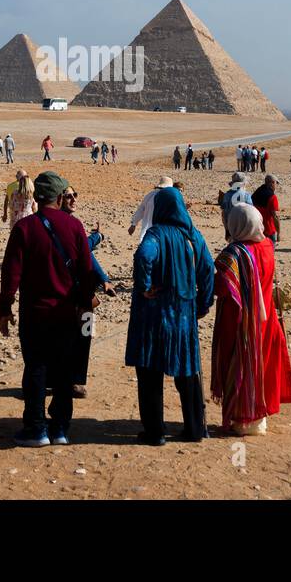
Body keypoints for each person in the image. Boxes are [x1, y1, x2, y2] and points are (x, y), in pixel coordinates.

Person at [0, 171, 97, 447]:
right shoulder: (74, 226)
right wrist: (83, 302)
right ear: (58, 197)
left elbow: (11, 274)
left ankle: (36, 428)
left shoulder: (24, 229)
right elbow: (87, 271)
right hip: (66, 313)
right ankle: (61, 428)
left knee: (36, 368)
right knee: (65, 371)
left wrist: (4, 309)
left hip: (35, 314)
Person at [127, 187, 215, 445]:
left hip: (154, 317)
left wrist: (143, 287)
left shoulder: (155, 235)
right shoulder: (193, 237)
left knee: (150, 371)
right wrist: (203, 303)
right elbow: (208, 269)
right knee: (187, 371)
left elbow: (143, 257)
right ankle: (195, 429)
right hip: (184, 316)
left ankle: (155, 432)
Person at [210, 203, 291, 435]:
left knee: (239, 367)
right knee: (263, 367)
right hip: (266, 321)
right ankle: (259, 418)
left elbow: (221, 288)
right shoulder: (268, 246)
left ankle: (243, 420)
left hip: (241, 323)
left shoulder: (233, 255)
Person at [61, 186, 115, 398]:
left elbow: (85, 253)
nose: (73, 199)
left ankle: (72, 380)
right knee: (79, 336)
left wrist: (103, 279)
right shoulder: (65, 226)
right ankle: (74, 381)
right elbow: (84, 250)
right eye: (68, 196)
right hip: (72, 293)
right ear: (58, 198)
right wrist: (104, 279)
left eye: (76, 194)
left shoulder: (73, 225)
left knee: (82, 334)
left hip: (82, 292)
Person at [129, 176, 173, 240]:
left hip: (149, 231)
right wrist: (133, 224)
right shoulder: (169, 197)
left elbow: (141, 209)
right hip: (160, 232)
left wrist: (134, 224)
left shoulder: (150, 195)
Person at [219, 172, 254, 239]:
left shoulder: (227, 195)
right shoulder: (246, 195)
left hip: (231, 225)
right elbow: (251, 213)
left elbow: (224, 214)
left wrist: (226, 229)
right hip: (244, 226)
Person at [251, 175, 281, 245]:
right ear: (272, 183)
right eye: (276, 183)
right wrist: (278, 233)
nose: (276, 186)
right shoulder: (272, 197)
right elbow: (275, 217)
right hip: (268, 229)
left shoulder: (257, 192)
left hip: (256, 228)